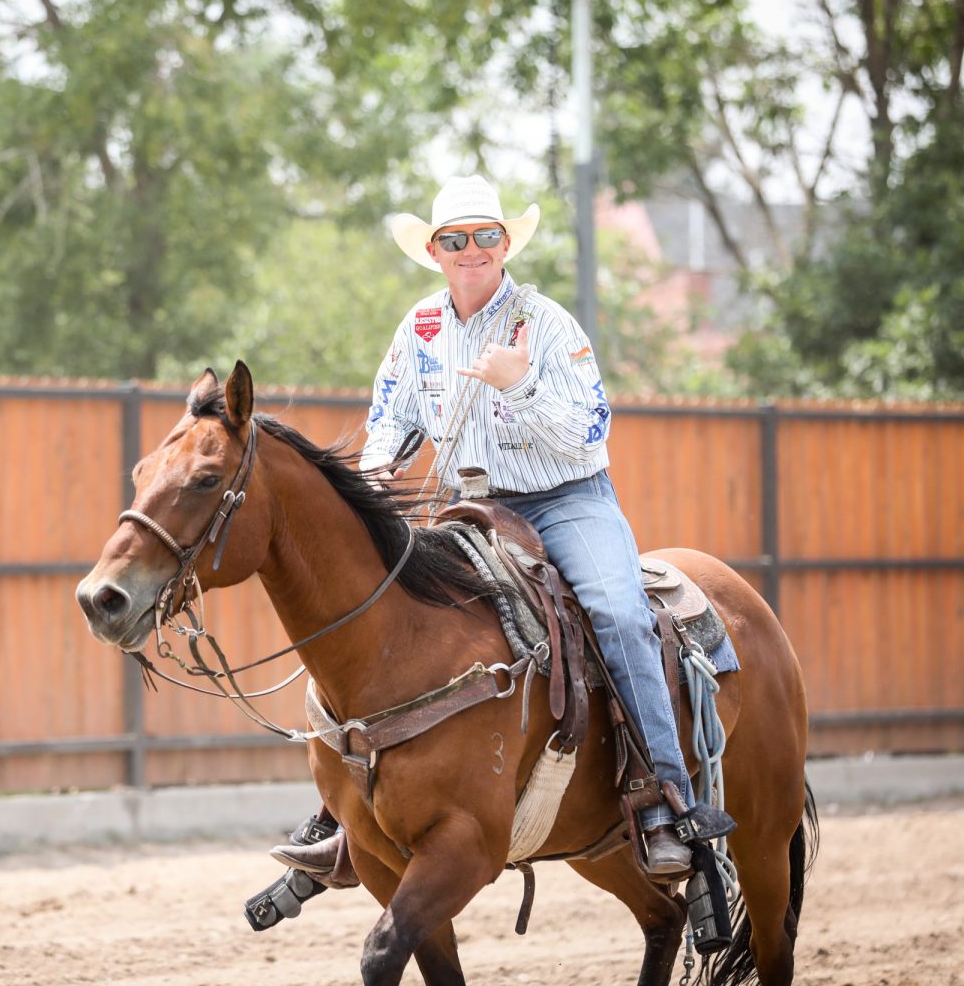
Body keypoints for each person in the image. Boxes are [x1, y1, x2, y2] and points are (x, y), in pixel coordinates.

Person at [267, 173, 711, 899]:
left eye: (484, 237)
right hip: (471, 504)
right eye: (455, 239)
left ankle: (663, 795)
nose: (471, 250)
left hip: (567, 501)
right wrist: (375, 482)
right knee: (391, 620)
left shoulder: (548, 324)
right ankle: (344, 812)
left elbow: (589, 431)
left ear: (505, 246)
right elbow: (389, 424)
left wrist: (519, 383)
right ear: (435, 253)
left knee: (619, 612)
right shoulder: (420, 329)